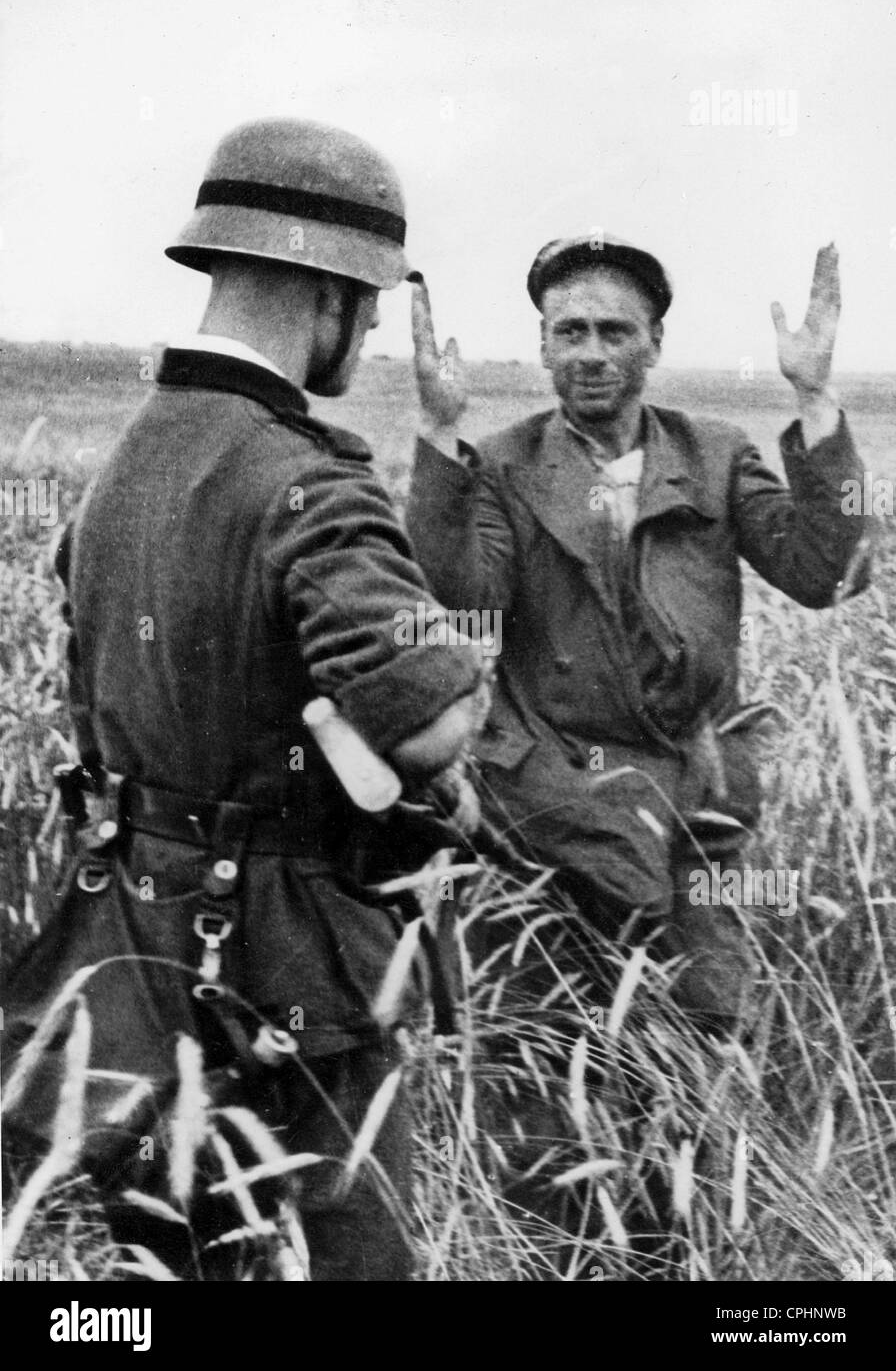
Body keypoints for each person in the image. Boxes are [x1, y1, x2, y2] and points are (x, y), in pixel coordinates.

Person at [2, 118, 487, 1281]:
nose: (364, 336)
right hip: (290, 983)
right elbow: (427, 716)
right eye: (364, 309)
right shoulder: (309, 483)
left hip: (134, 961)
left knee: (177, 1270)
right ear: (326, 293)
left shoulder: (124, 466)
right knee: (354, 1260)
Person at [405, 235, 872, 1030]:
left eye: (615, 331)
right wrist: (440, 428)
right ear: (544, 347)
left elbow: (830, 572)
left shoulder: (714, 455)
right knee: (538, 1047)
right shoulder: (503, 463)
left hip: (695, 800)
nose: (591, 353)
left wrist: (816, 397)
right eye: (570, 331)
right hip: (544, 805)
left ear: (655, 342)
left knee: (708, 1035)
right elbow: (461, 593)